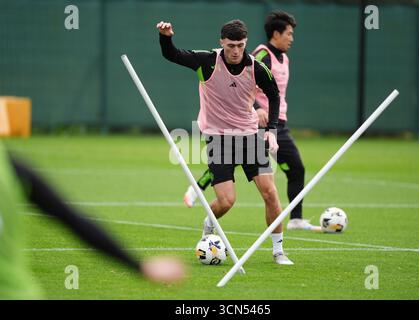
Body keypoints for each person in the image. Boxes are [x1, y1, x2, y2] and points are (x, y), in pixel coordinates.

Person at [157, 19, 293, 265]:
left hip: (251, 137)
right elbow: (172, 55)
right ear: (222, 43)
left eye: (240, 45)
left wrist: (271, 130)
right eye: (230, 45)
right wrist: (166, 37)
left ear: (245, 44)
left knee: (270, 193)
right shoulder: (207, 61)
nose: (235, 51)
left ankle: (278, 250)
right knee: (227, 201)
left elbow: (273, 94)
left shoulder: (256, 68)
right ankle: (209, 224)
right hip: (219, 139)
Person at [183, 11, 319, 231]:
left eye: (240, 45)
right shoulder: (261, 56)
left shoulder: (284, 58)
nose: (292, 38)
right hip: (252, 124)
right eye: (289, 34)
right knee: (229, 167)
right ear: (276, 34)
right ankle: (198, 188)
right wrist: (257, 109)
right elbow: (245, 90)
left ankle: (293, 221)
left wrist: (273, 125)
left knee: (289, 173)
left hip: (276, 122)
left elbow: (273, 94)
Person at [0, 141, 185, 299]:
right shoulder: (11, 167)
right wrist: (141, 266)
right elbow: (73, 219)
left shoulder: (11, 169)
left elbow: (72, 219)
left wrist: (140, 266)